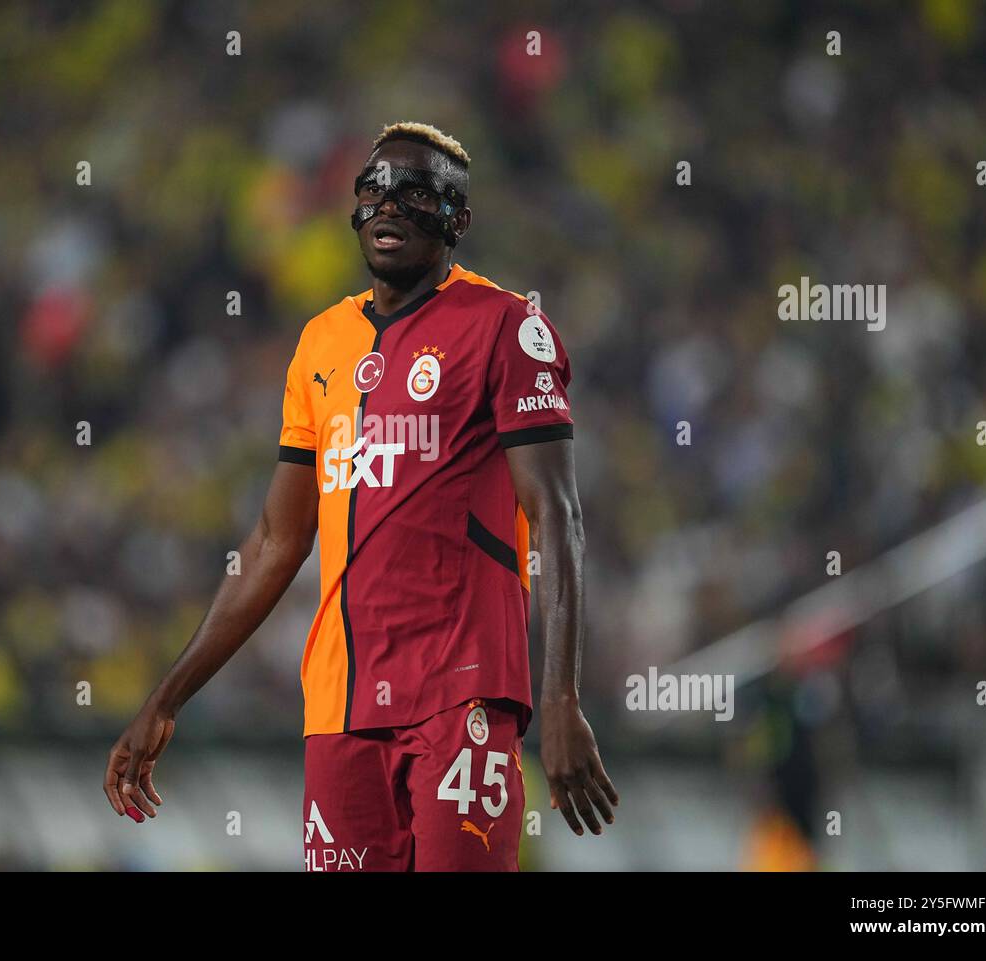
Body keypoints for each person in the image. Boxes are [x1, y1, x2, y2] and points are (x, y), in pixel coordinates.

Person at [103, 122, 618, 871]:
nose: (390, 204)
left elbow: (557, 517)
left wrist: (563, 699)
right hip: (340, 706)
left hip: (462, 693)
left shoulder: (507, 327)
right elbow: (277, 541)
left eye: (417, 192)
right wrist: (167, 696)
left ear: (457, 221)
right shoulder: (320, 344)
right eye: (374, 188)